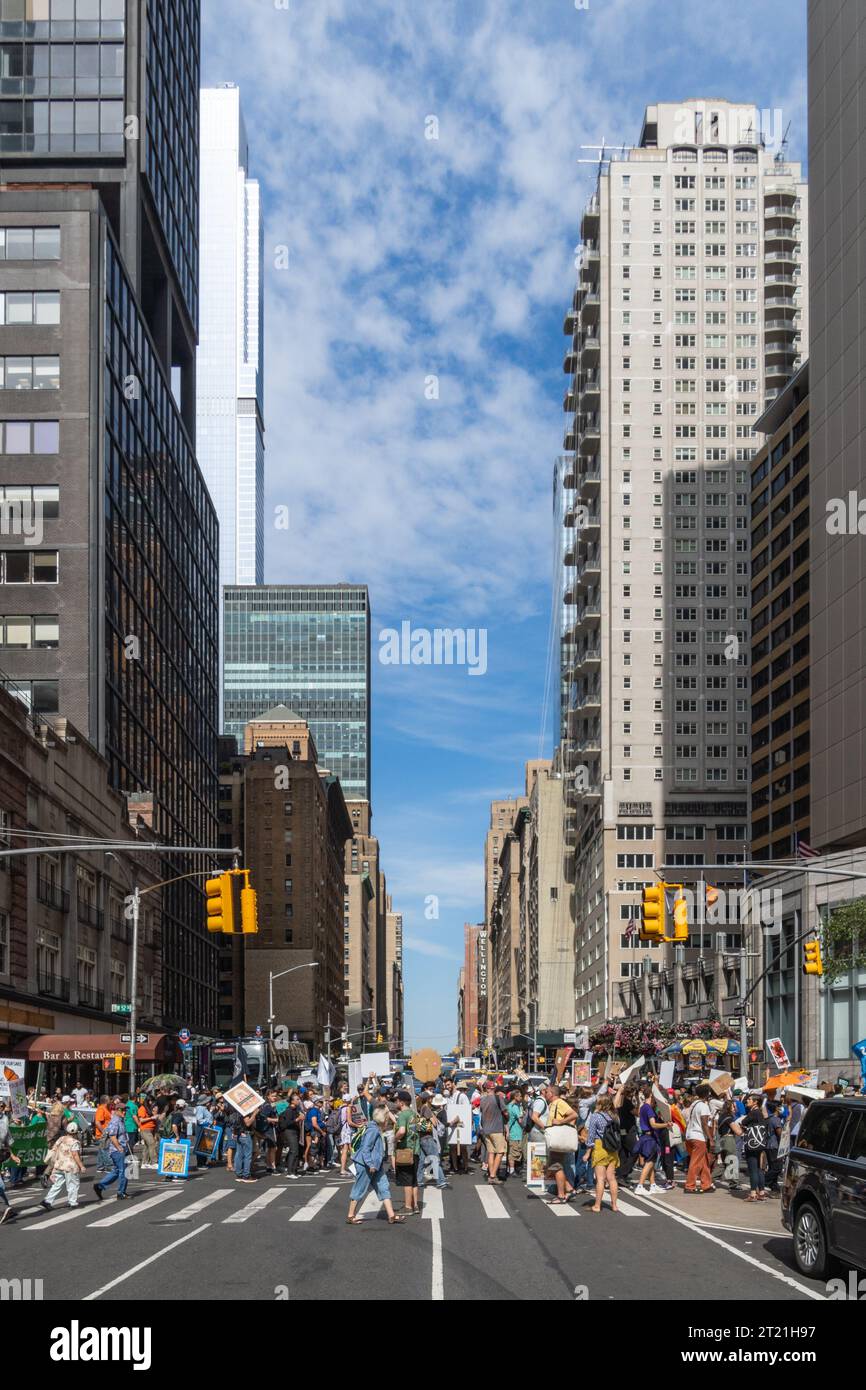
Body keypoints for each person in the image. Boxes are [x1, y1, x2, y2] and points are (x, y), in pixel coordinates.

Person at [346, 1107, 405, 1226]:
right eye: (387, 1118)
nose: (388, 1120)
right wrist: (370, 1164)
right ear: (383, 1119)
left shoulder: (375, 1128)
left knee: (384, 1187)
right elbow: (365, 1149)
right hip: (366, 1165)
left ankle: (391, 1215)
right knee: (360, 1188)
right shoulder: (373, 1130)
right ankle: (351, 1215)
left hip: (375, 1165)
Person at [542, 1084, 577, 1204]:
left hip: (558, 1139)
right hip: (554, 1139)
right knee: (555, 1166)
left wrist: (560, 1122)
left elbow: (574, 1114)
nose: (544, 1093)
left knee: (556, 1166)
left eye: (546, 1092)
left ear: (552, 1093)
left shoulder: (560, 1103)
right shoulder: (553, 1104)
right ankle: (569, 1189)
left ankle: (561, 1195)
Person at [585, 1094, 620, 1213]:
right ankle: (614, 1205)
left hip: (600, 1147)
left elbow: (591, 1135)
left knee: (600, 1179)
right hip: (613, 1149)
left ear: (600, 1103)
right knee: (612, 1178)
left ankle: (597, 1205)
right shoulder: (614, 1116)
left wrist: (588, 1152)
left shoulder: (596, 1116)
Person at [41, 1122, 86, 1212]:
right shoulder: (75, 1142)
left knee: (57, 1184)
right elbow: (75, 1155)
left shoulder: (61, 1139)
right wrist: (81, 1166)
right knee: (73, 1184)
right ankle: (72, 1202)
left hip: (59, 1165)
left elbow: (54, 1149)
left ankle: (47, 1200)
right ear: (76, 1132)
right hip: (70, 1167)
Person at [93, 1100, 131, 1202]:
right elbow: (112, 1135)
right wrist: (119, 1147)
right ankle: (121, 1192)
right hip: (117, 1150)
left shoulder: (120, 1120)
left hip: (122, 1148)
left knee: (116, 1171)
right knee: (123, 1171)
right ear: (118, 1110)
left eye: (125, 1110)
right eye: (123, 1110)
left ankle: (100, 1186)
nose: (125, 1112)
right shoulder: (115, 1121)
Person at [634, 1086, 667, 1195]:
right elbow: (653, 1124)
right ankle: (640, 1185)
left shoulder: (644, 1107)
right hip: (650, 1138)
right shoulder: (648, 1108)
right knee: (649, 1162)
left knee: (651, 1163)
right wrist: (666, 1124)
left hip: (646, 1137)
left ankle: (652, 1185)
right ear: (652, 1096)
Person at [684, 1084, 716, 1195]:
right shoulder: (703, 1106)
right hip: (698, 1137)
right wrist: (711, 1139)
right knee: (696, 1162)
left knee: (704, 1161)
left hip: (689, 1135)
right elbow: (704, 1123)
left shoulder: (693, 1104)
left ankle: (706, 1184)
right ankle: (690, 1185)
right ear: (707, 1094)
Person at [393, 1090, 421, 1214]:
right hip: (415, 1150)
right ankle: (415, 1205)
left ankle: (408, 1207)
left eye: (397, 1100)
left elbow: (402, 1131)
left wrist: (394, 1139)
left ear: (402, 1102)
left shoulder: (403, 1115)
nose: (396, 1102)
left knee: (407, 1180)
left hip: (406, 1150)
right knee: (414, 1180)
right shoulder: (413, 1114)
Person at [741, 1094, 769, 1202]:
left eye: (749, 1100)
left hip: (752, 1144)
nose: (747, 1101)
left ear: (755, 1102)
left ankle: (753, 1193)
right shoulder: (761, 1113)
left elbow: (743, 1122)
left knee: (753, 1169)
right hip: (761, 1144)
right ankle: (761, 1192)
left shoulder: (753, 1112)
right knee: (759, 1169)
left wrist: (744, 1125)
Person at [479, 1080, 508, 1185]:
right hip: (496, 1129)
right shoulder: (498, 1098)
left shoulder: (482, 1100)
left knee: (491, 1152)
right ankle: (492, 1175)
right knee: (500, 1152)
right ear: (493, 1088)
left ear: (486, 1089)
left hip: (486, 1129)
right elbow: (505, 1112)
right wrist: (507, 1117)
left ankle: (491, 1175)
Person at [715, 1100, 743, 1191]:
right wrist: (743, 1128)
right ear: (729, 1107)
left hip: (722, 1140)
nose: (736, 1108)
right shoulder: (729, 1118)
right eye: (733, 1106)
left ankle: (710, 1178)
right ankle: (734, 1184)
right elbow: (738, 1132)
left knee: (723, 1163)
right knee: (732, 1161)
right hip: (729, 1140)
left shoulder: (721, 1116)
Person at [506, 1089, 526, 1178]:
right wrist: (523, 1115)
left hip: (511, 1131)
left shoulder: (509, 1106)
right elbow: (520, 1120)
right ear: (515, 1097)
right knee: (514, 1152)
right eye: (520, 1096)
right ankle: (512, 1170)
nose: (521, 1098)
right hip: (515, 1132)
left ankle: (511, 1169)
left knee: (512, 1151)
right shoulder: (515, 1107)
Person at [137, 1097, 159, 1169]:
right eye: (151, 1101)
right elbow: (141, 1120)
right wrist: (151, 1118)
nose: (153, 1103)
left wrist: (155, 1113)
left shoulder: (149, 1108)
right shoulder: (142, 1108)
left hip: (151, 1129)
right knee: (152, 1144)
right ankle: (154, 1162)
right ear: (148, 1101)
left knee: (147, 1146)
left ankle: (145, 1162)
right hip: (145, 1129)